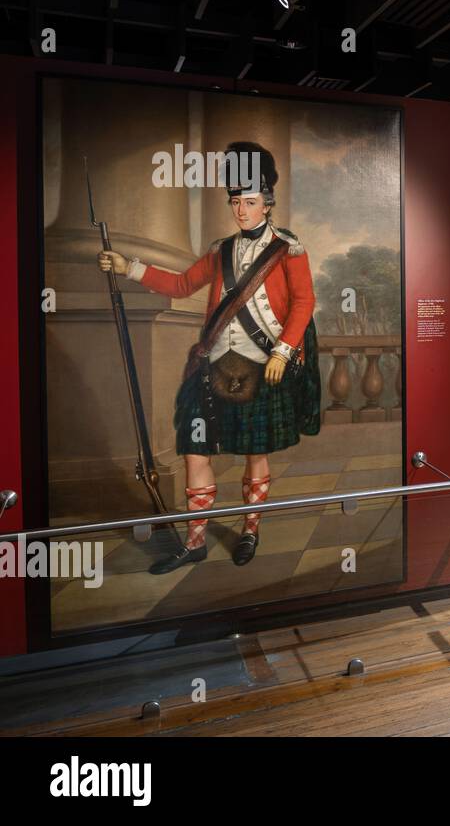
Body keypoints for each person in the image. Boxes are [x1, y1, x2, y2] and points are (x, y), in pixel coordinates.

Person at [98, 142, 320, 574]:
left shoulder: (288, 248)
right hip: (214, 364)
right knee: (195, 452)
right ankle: (195, 542)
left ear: (267, 205)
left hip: (262, 363)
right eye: (235, 202)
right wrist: (129, 267)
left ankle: (250, 530)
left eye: (249, 202)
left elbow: (304, 301)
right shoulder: (221, 250)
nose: (240, 210)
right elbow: (182, 285)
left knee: (256, 454)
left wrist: (283, 350)